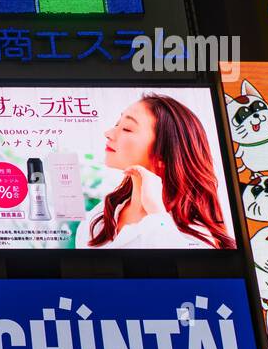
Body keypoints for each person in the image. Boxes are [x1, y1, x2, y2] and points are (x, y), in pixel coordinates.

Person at [77, 94, 235, 250]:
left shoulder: (195, 237)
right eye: (117, 124)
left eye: (127, 129)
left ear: (164, 154)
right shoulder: (100, 215)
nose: (109, 133)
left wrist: (157, 214)